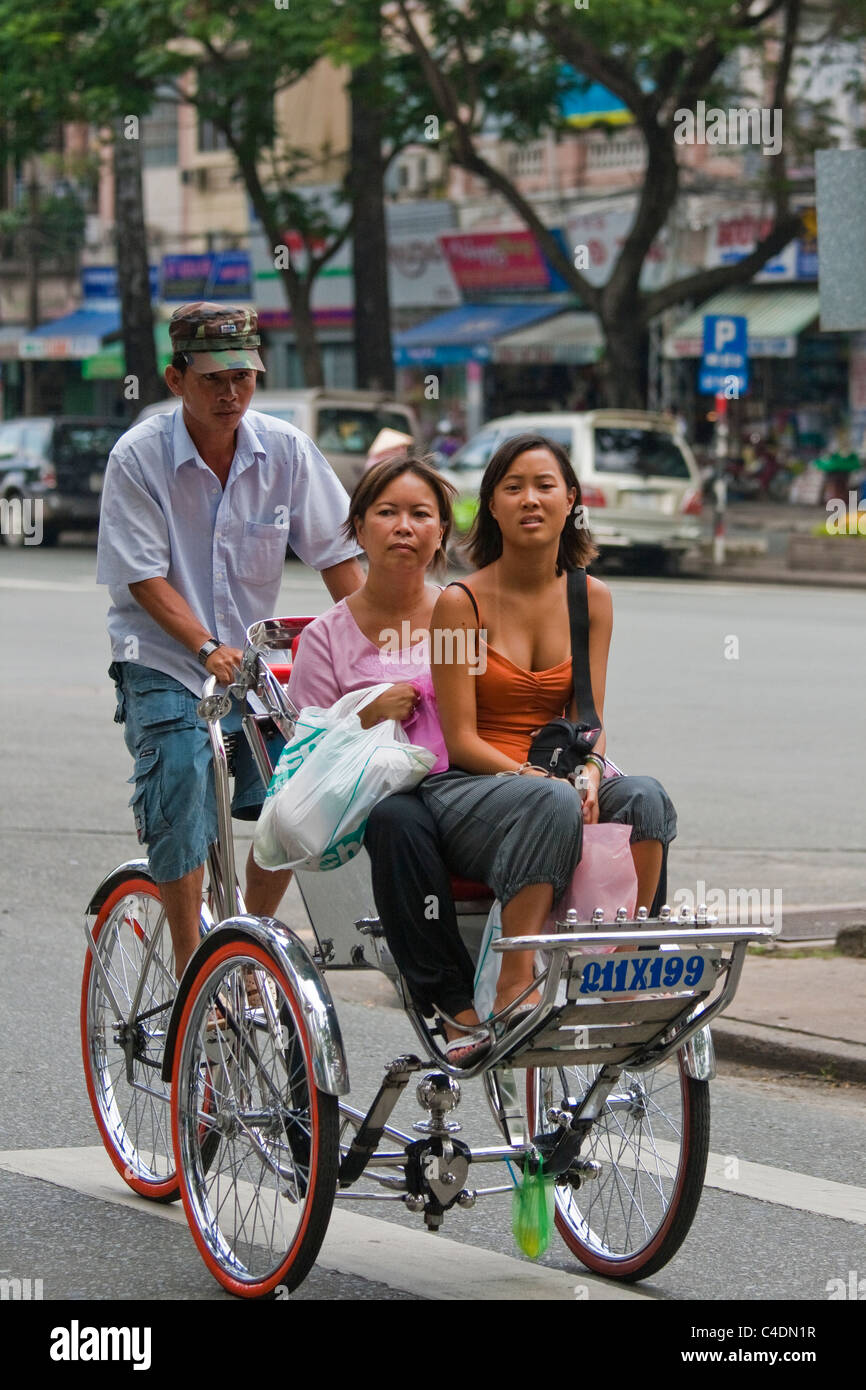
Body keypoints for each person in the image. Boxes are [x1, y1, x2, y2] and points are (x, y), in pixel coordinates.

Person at [367, 433, 676, 1061]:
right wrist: (541, 782)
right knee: (550, 805)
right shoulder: (458, 603)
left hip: (560, 782)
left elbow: (588, 718)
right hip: (469, 790)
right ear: (492, 508)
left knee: (646, 797)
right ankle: (515, 978)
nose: (530, 500)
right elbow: (460, 740)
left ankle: (619, 967)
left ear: (570, 501)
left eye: (545, 486)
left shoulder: (593, 598)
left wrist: (588, 769)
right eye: (513, 488)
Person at [96, 301, 364, 980]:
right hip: (161, 656)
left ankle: (246, 940)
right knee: (184, 775)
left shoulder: (287, 451)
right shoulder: (139, 457)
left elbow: (339, 559)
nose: (230, 393)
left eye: (243, 377)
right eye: (213, 379)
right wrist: (203, 645)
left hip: (248, 663)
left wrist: (374, 650)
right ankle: (193, 967)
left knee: (301, 788)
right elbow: (143, 579)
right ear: (174, 378)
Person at [285, 453, 487, 1062]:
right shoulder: (325, 638)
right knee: (399, 820)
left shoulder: (464, 611)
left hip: (469, 789)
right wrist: (366, 712)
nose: (405, 526)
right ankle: (453, 1005)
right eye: (388, 512)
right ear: (359, 528)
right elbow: (307, 750)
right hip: (385, 807)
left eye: (421, 514)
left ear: (441, 534)